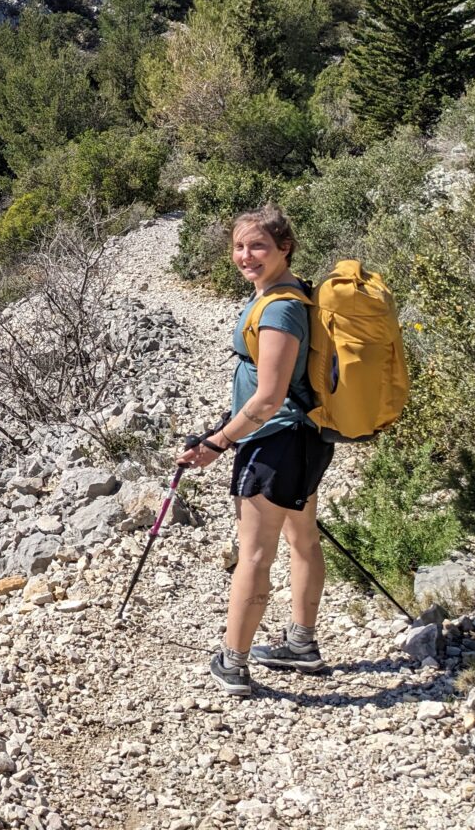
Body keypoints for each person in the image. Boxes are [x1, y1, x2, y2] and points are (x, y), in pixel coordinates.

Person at [176, 205, 334, 696]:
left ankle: (234, 661)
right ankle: (301, 645)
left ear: (285, 248)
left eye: (258, 246)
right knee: (302, 541)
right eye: (240, 247)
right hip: (302, 439)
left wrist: (219, 442)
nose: (246, 256)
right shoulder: (290, 292)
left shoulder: (282, 307)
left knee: (254, 555)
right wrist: (226, 425)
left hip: (274, 446)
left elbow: (268, 397)